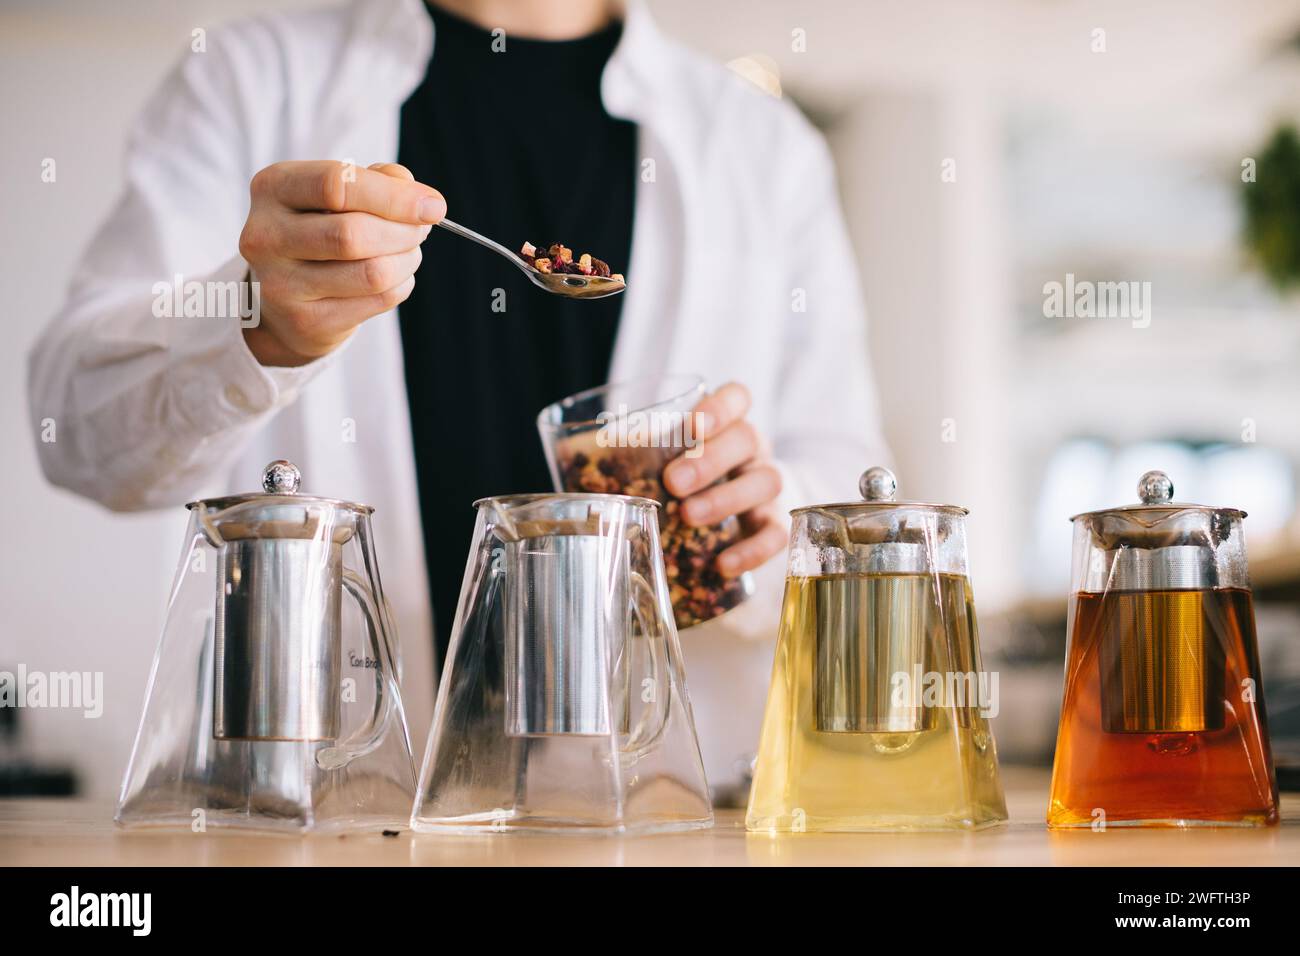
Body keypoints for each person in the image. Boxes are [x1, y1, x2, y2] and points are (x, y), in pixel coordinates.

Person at [27, 0, 886, 789]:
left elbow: (848, 488)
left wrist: (759, 515)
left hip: (655, 815)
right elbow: (76, 429)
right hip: (319, 811)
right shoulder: (254, 79)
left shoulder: (764, 148)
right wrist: (253, 326)